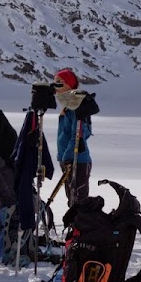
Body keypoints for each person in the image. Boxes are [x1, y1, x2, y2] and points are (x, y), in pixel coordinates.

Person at [54, 68, 97, 207]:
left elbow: (78, 134)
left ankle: (81, 227)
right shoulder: (67, 108)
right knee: (72, 199)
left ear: (69, 84)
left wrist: (67, 156)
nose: (56, 86)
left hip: (77, 160)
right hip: (68, 159)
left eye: (59, 83)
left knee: (78, 199)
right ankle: (75, 226)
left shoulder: (77, 106)